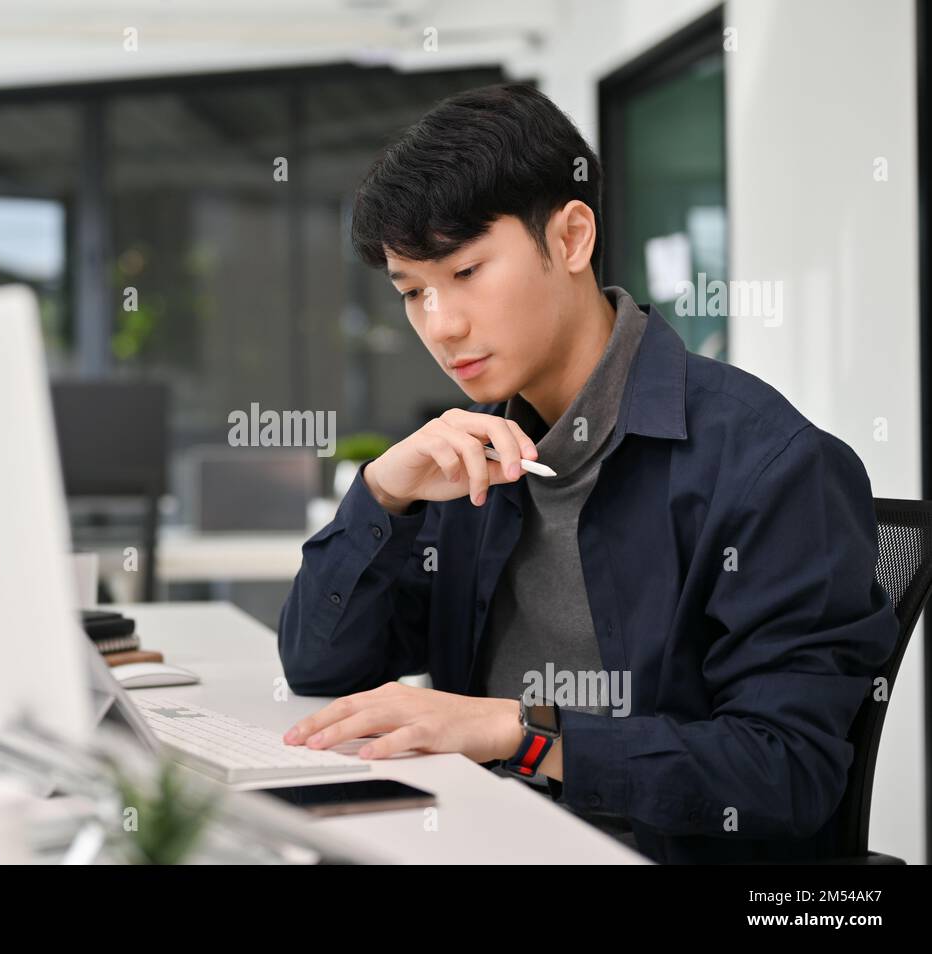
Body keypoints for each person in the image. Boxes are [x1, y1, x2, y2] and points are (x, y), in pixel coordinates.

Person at [276, 83, 899, 864]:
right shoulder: (467, 456)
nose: (442, 324)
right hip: (471, 838)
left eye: (466, 272)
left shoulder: (771, 466)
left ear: (571, 238)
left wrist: (523, 733)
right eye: (413, 292)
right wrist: (383, 495)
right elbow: (321, 668)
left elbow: (785, 772)